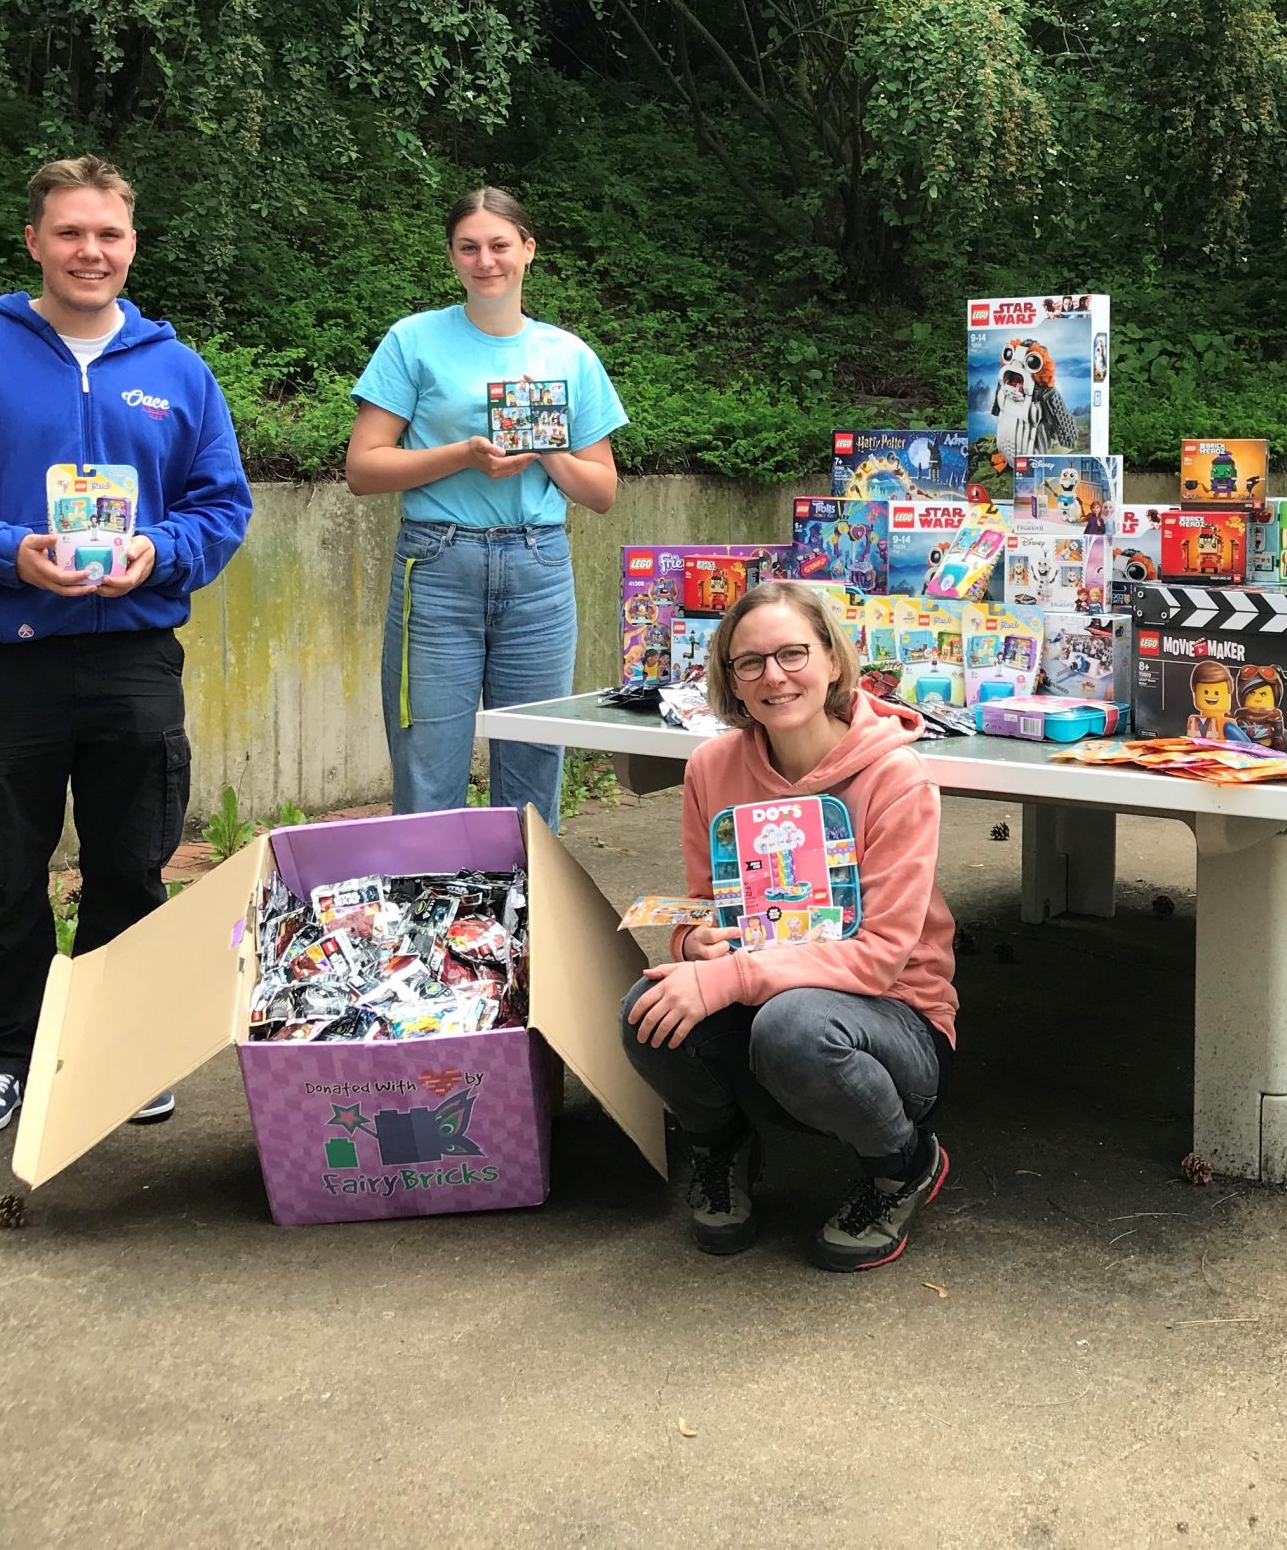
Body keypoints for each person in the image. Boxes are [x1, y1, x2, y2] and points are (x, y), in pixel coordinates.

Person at [0, 156, 254, 1138]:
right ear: (34, 241)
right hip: (7, 656)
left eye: (109, 234)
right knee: (4, 868)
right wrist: (6, 554)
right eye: (71, 232)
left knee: (132, 863)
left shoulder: (177, 372)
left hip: (134, 654)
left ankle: (122, 1053)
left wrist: (159, 552)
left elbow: (221, 505)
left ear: (132, 245)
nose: (91, 250)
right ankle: (4, 1056)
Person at [619, 582, 958, 1271]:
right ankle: (722, 1146)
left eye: (793, 654)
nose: (774, 676)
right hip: (768, 996)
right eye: (750, 662)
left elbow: (881, 957)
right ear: (731, 680)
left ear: (832, 659)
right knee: (646, 1012)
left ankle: (902, 1164)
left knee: (794, 1027)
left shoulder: (897, 778)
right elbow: (704, 905)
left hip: (894, 1019)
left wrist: (727, 979)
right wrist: (693, 943)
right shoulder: (711, 767)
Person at [344, 188, 624, 824]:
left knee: (533, 770)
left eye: (500, 245)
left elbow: (602, 492)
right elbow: (363, 468)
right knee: (426, 769)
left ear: (528, 250)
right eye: (468, 247)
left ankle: (527, 891)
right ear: (452, 256)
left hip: (538, 569)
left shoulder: (569, 354)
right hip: (436, 565)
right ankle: (432, 888)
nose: (486, 260)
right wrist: (464, 455)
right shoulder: (412, 340)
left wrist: (546, 447)